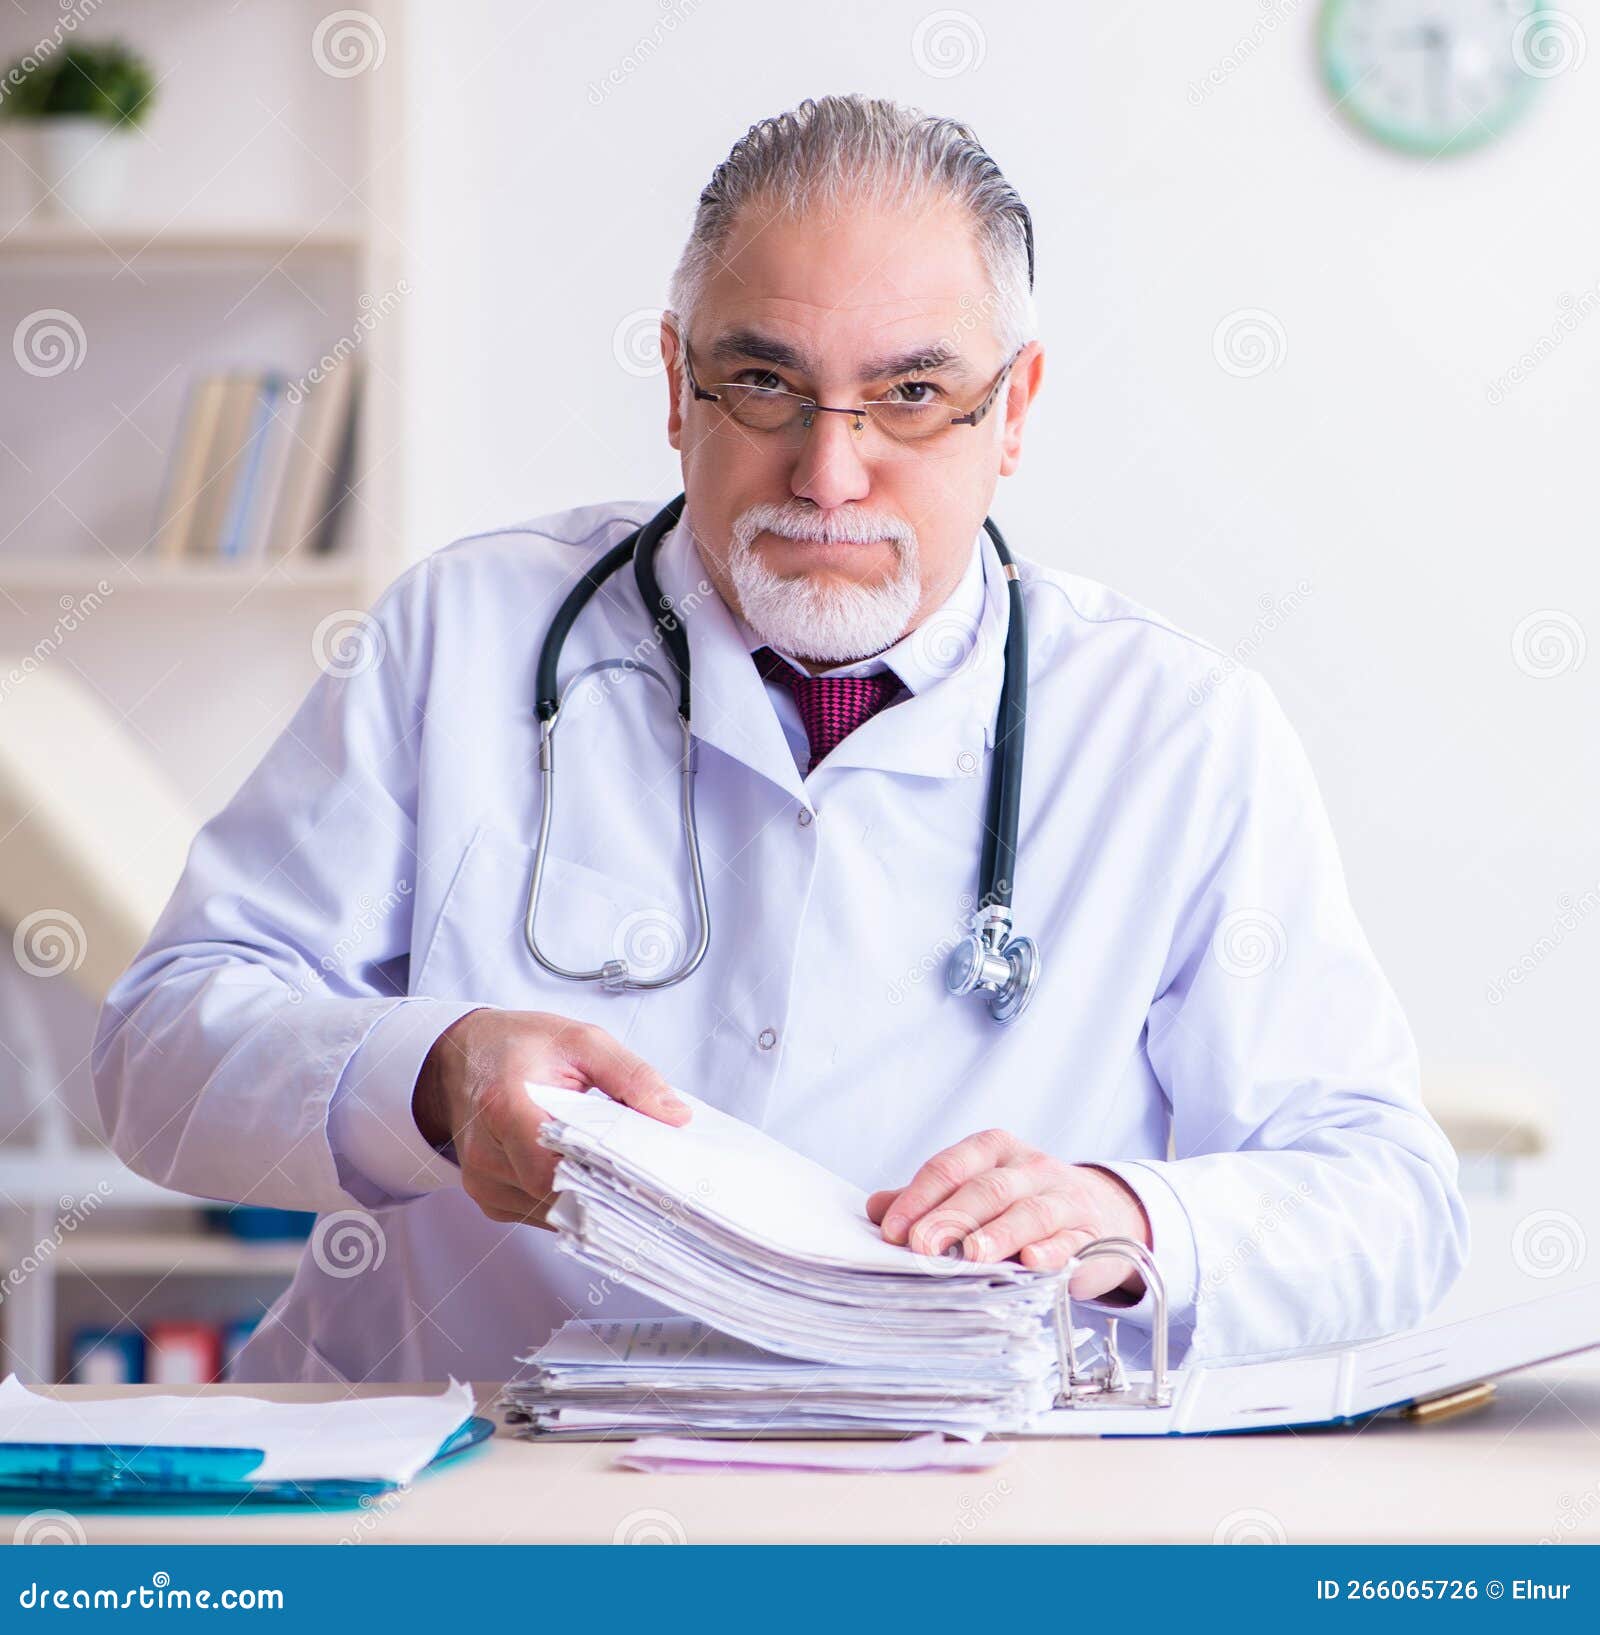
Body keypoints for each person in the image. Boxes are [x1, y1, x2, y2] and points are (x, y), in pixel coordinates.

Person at [93, 94, 1466, 1384]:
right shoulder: (463, 636)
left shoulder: (1176, 732)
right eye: (766, 382)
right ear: (680, 385)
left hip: (948, 1505)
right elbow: (158, 1052)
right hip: (477, 1475)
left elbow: (1388, 1202)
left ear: (1018, 410)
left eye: (913, 394)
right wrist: (435, 1079)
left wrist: (1127, 1216)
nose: (828, 472)